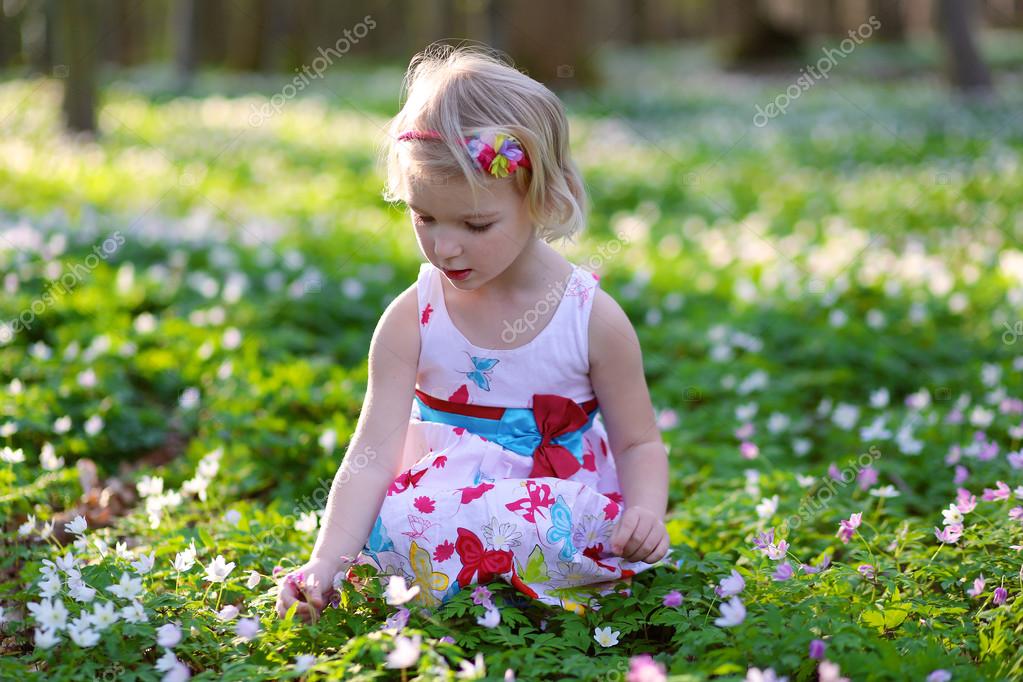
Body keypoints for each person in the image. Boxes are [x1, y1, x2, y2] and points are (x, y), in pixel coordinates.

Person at [275, 43, 669, 622]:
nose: (445, 246)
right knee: (412, 531)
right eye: (424, 217)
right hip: (441, 509)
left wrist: (646, 513)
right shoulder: (413, 317)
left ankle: (512, 603)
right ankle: (473, 603)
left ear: (540, 198)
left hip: (558, 508)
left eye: (476, 223)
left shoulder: (590, 318)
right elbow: (372, 452)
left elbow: (639, 442)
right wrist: (325, 562)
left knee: (555, 539)